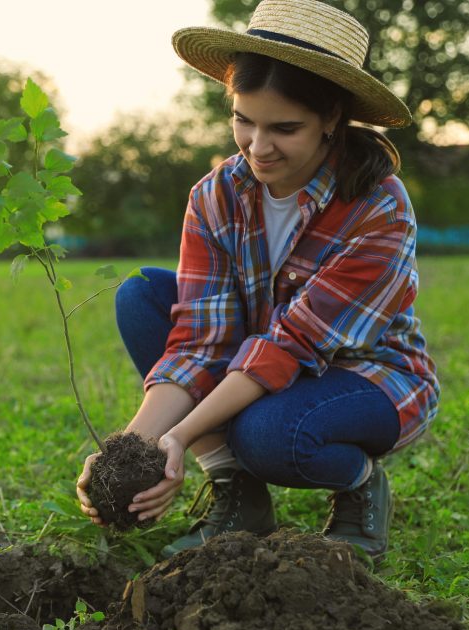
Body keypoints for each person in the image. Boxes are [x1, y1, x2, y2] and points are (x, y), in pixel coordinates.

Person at [76, 0, 438, 560]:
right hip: (257, 358)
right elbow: (202, 340)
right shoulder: (216, 195)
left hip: (368, 377)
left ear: (332, 118)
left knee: (269, 436)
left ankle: (360, 482)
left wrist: (181, 435)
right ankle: (237, 492)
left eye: (284, 128)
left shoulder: (378, 208)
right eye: (244, 120)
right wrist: (135, 445)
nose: (257, 147)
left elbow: (290, 344)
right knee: (143, 295)